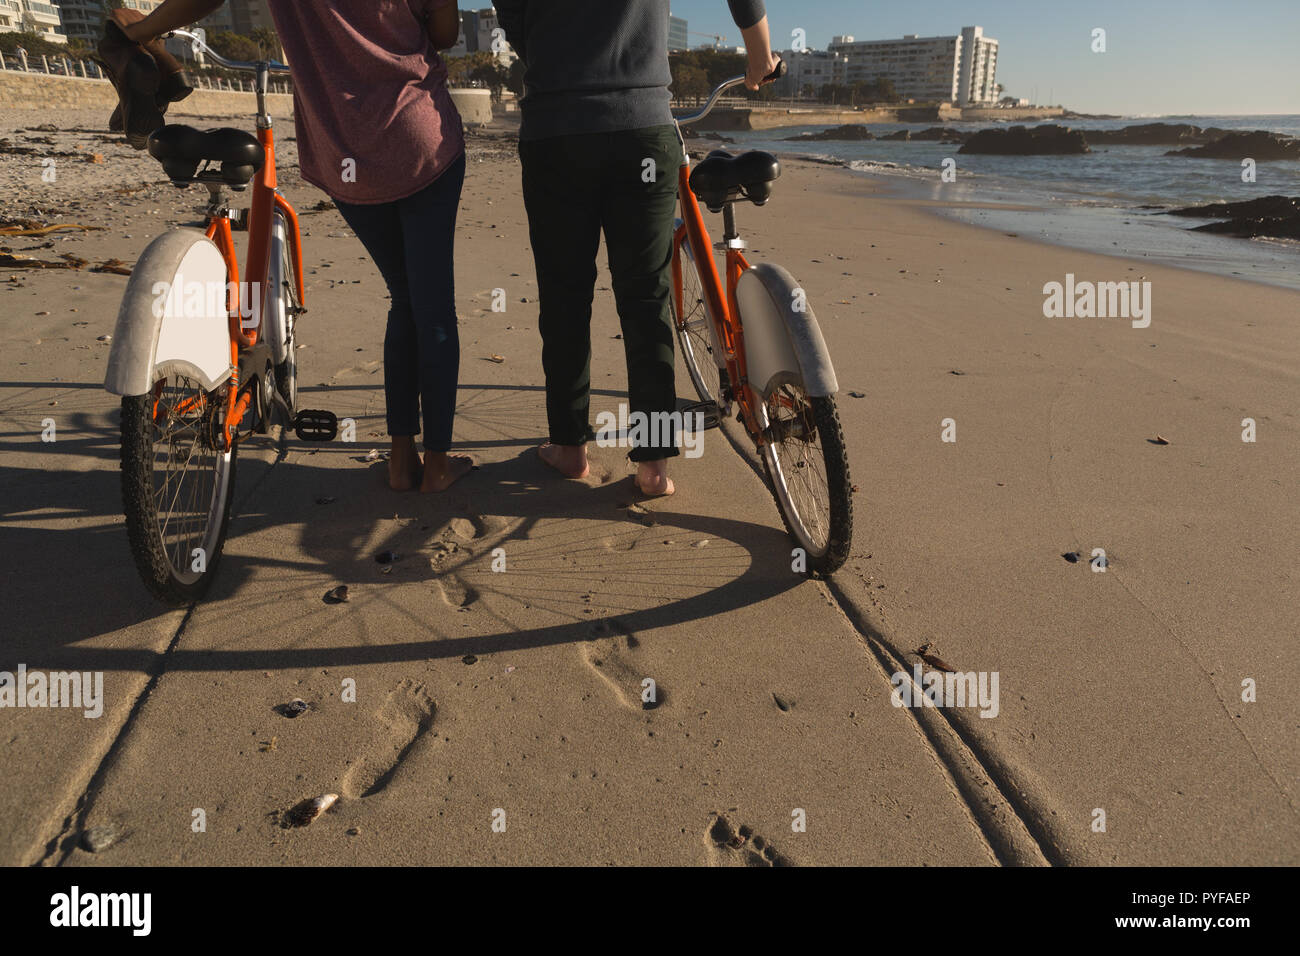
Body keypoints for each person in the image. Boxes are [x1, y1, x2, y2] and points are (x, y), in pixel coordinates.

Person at [121, 0, 472, 492]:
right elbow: (444, 32)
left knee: (405, 297)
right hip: (420, 139)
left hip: (343, 150)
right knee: (431, 309)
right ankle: (436, 464)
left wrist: (145, 29)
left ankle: (400, 460)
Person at [495, 0, 777, 497]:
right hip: (641, 126)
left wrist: (554, 45)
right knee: (647, 299)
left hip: (556, 129)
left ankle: (569, 446)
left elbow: (513, 16)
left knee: (564, 296)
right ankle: (654, 464)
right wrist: (761, 56)